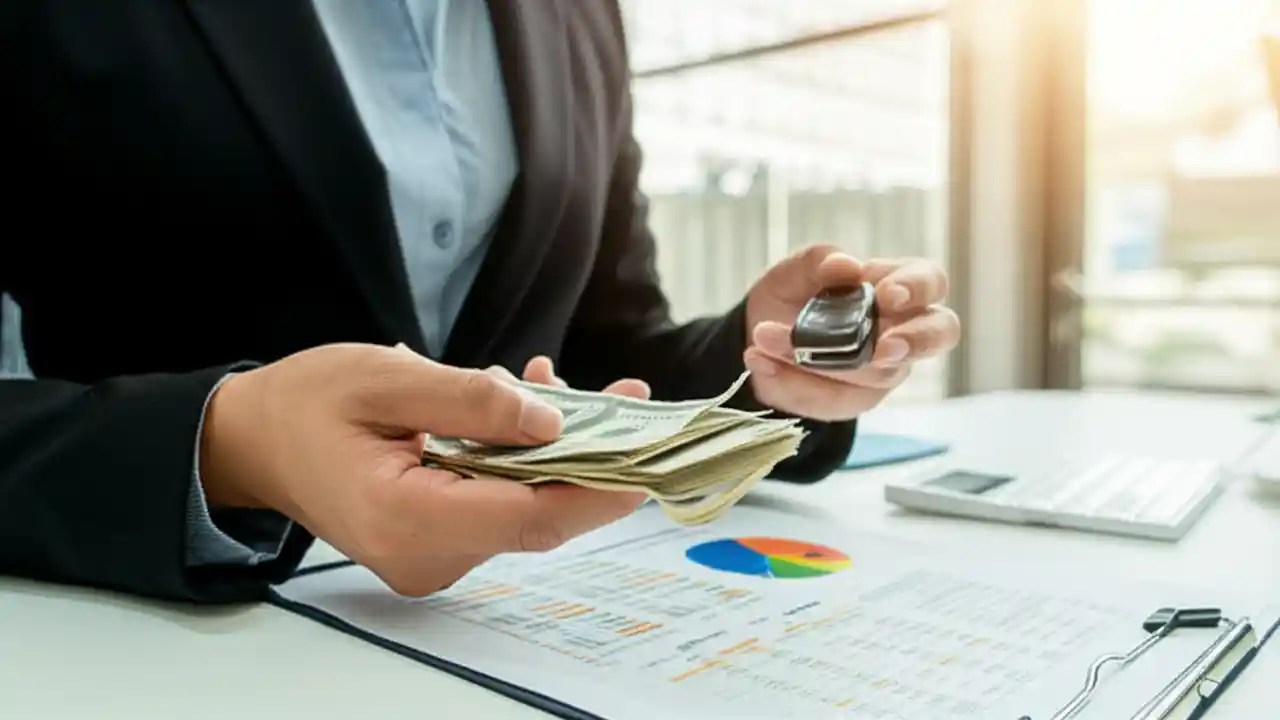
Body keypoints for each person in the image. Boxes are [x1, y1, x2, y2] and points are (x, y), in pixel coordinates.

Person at [0, 1, 959, 604]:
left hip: (502, 638)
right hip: (157, 642)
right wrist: (227, 446)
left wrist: (763, 368)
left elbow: (601, 343)